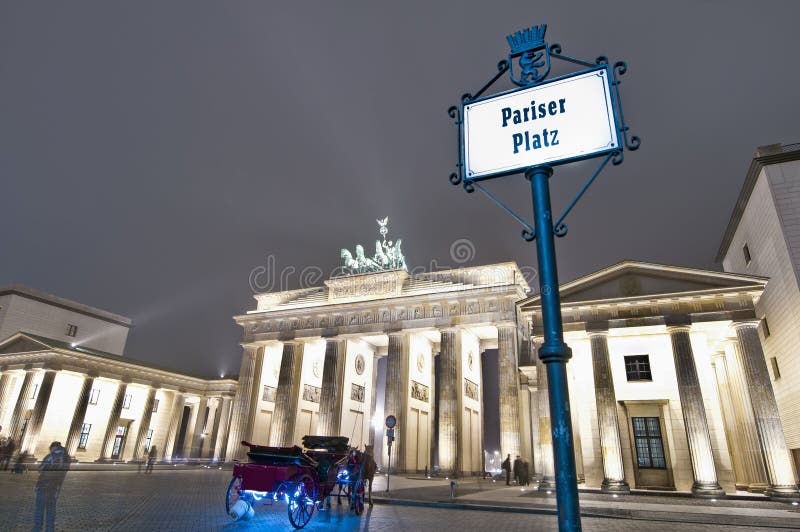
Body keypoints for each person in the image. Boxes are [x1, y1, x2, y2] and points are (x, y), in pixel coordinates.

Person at [33, 441, 69, 531]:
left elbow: (40, 469)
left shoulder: (51, 456)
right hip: (55, 488)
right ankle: (49, 530)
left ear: (53, 448)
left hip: (43, 486)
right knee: (51, 511)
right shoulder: (66, 459)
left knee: (39, 511)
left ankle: (37, 529)